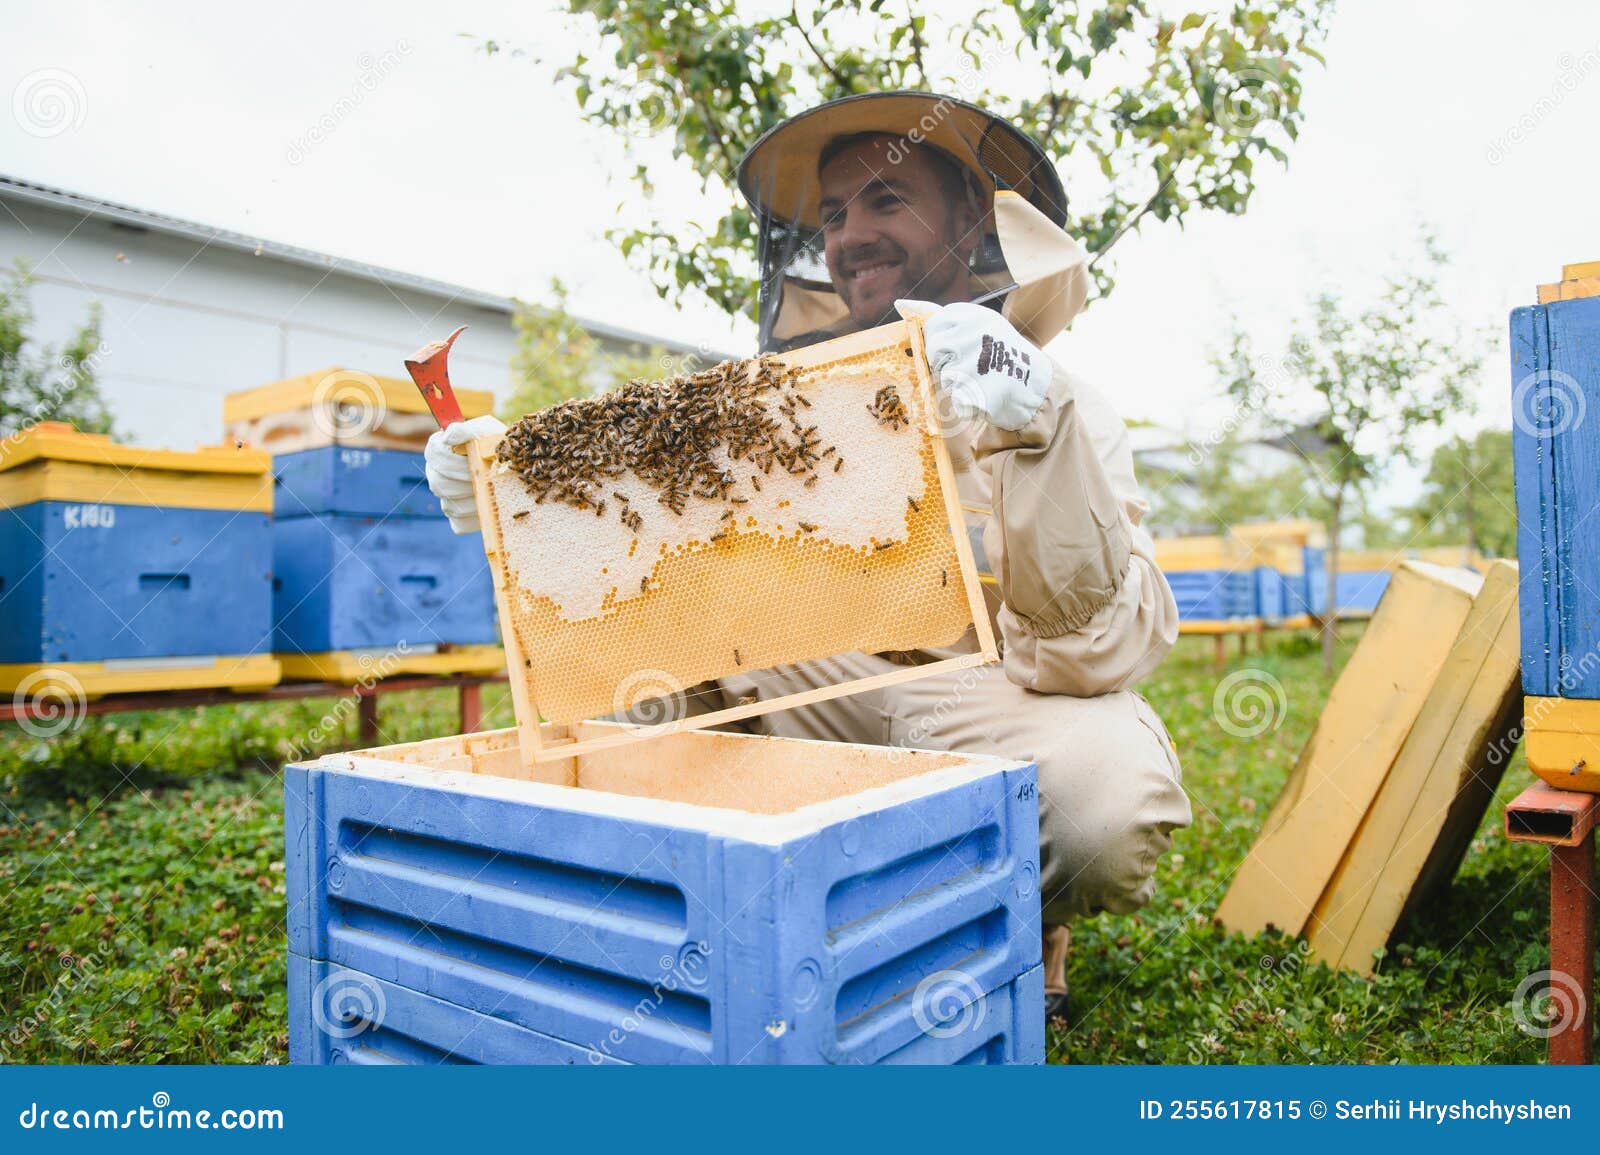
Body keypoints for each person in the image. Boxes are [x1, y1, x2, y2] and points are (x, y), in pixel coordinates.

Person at [424, 92, 1191, 1022]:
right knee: (617, 701)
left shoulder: (1064, 400)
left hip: (985, 701)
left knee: (1094, 806)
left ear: (974, 226)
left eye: (886, 200)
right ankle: (731, 931)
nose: (851, 235)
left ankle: (1000, 931)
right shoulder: (787, 405)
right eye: (832, 215)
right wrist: (530, 494)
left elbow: (1092, 650)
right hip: (813, 688)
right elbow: (673, 577)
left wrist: (1037, 434)